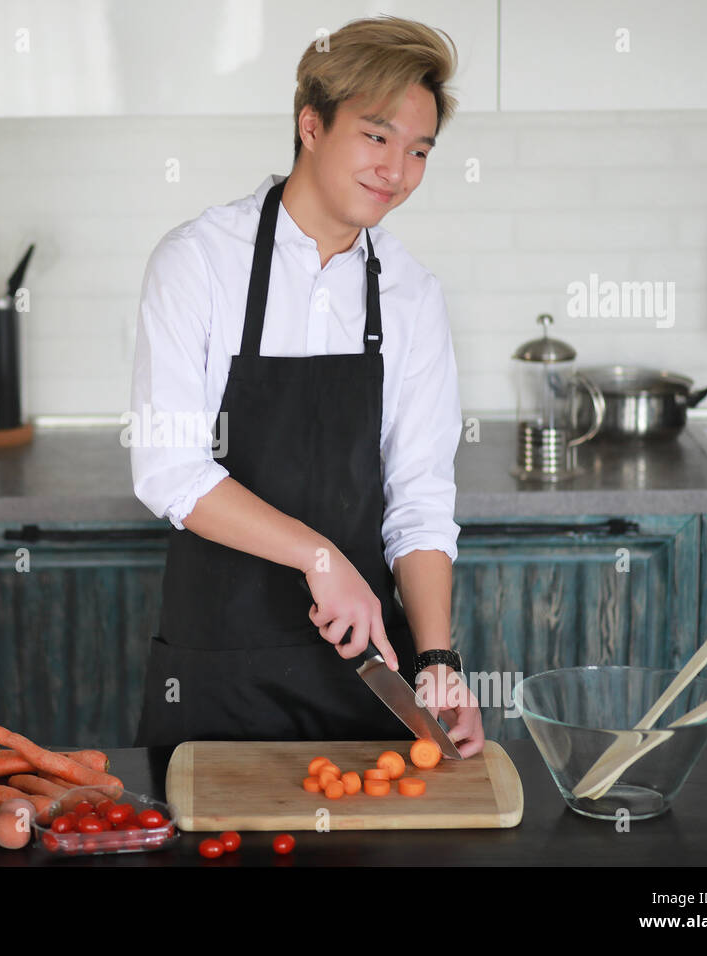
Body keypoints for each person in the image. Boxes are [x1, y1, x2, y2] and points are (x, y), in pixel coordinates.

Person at [128, 16, 484, 758]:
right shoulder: (197, 263)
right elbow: (169, 469)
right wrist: (321, 559)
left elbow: (418, 500)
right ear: (311, 126)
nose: (398, 170)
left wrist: (438, 663)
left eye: (419, 150)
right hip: (217, 670)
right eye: (377, 137)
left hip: (361, 678)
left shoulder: (413, 296)